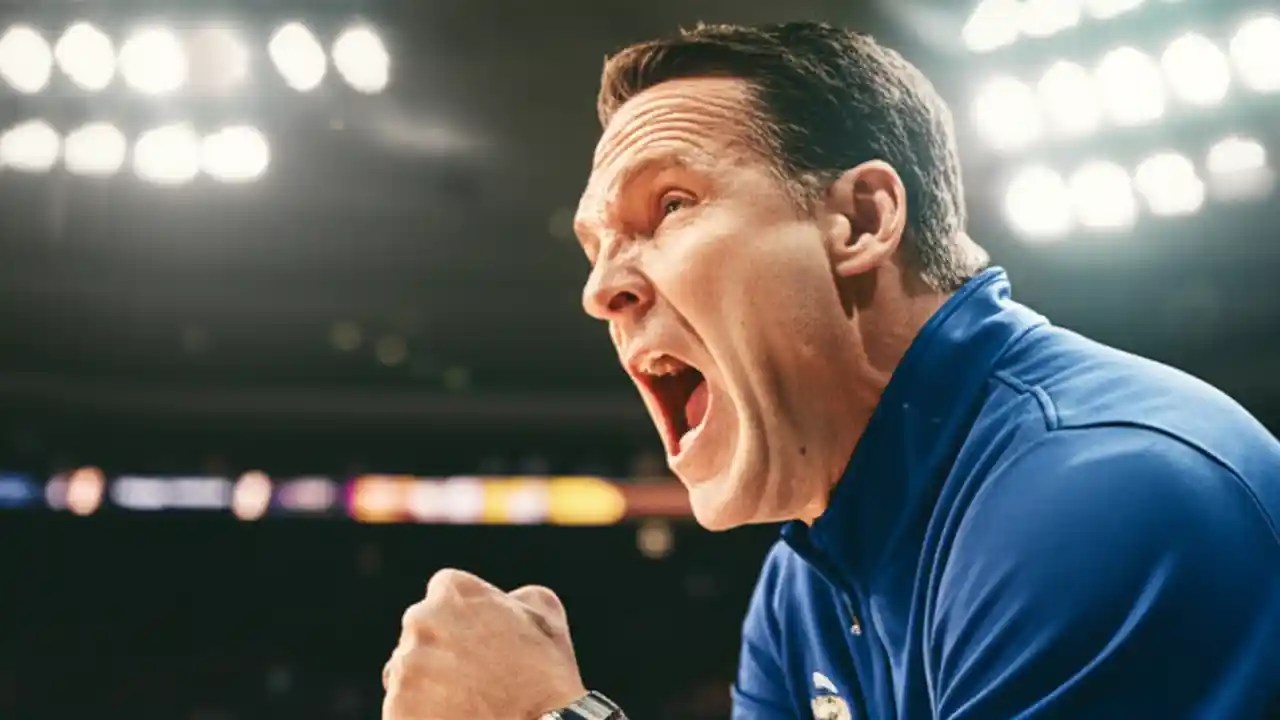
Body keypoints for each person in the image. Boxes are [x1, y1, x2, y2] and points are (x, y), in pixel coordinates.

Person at [380, 21, 1280, 720]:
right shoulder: (807, 572)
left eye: (669, 206)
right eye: (595, 247)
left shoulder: (1102, 497)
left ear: (859, 221)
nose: (601, 289)